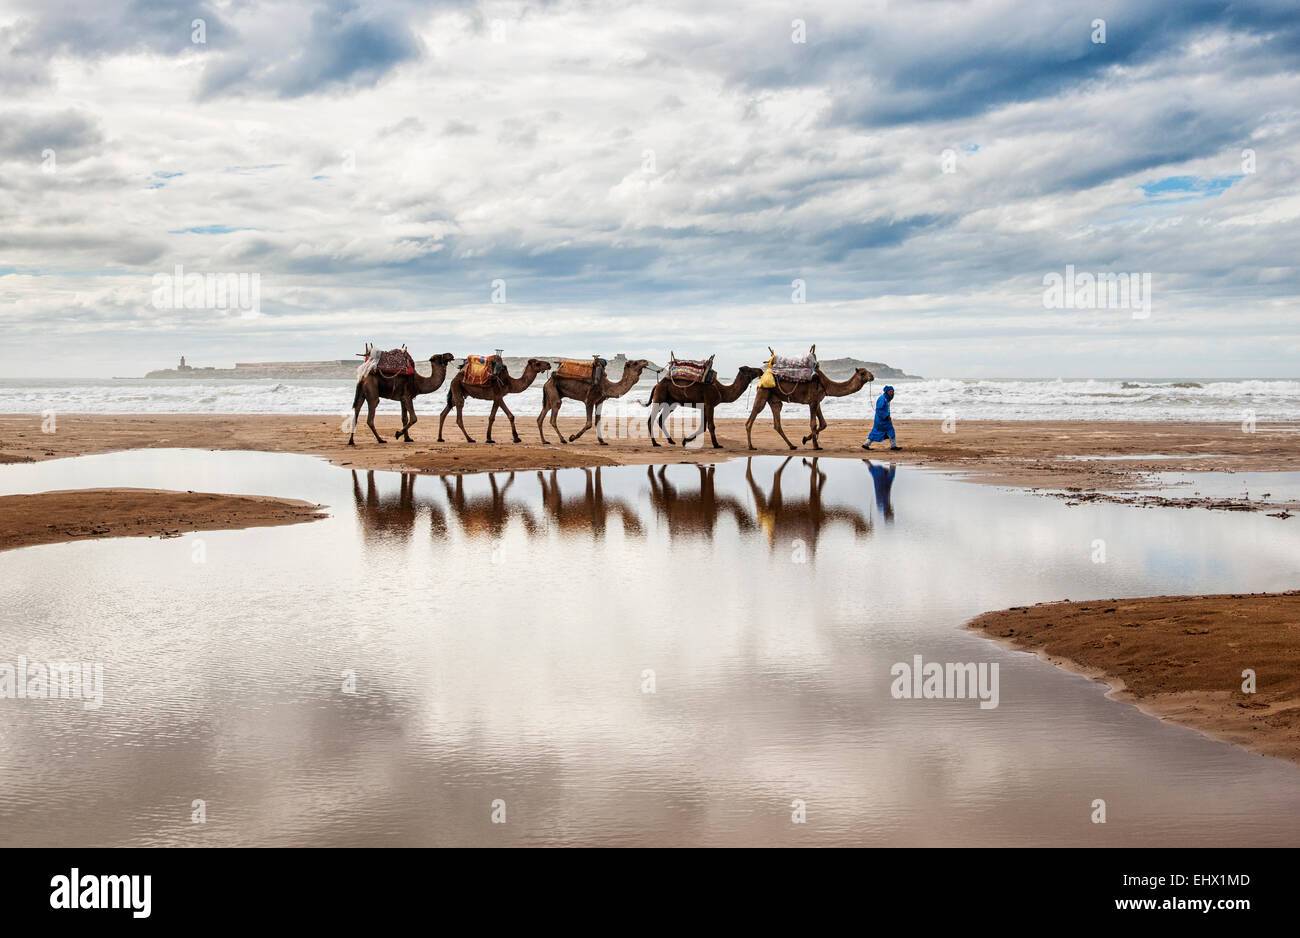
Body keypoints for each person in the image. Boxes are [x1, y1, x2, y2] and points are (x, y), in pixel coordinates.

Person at [862, 385, 900, 450]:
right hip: (881, 420)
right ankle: (893, 446)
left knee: (885, 431)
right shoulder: (882, 399)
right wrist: (886, 417)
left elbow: (890, 398)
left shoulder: (886, 399)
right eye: (890, 391)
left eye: (893, 391)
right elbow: (879, 409)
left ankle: (866, 444)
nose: (892, 393)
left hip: (884, 420)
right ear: (887, 392)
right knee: (889, 431)